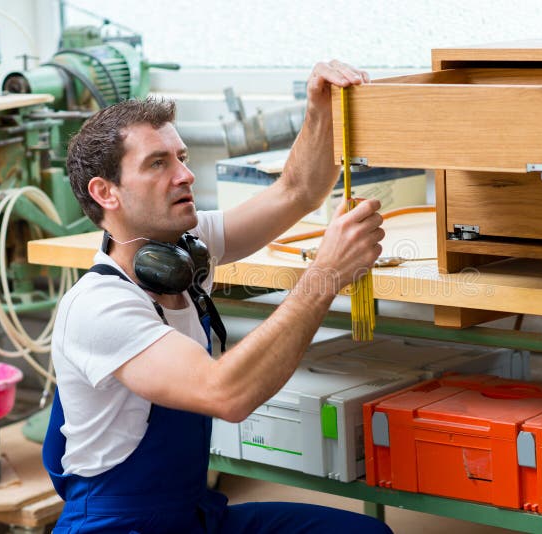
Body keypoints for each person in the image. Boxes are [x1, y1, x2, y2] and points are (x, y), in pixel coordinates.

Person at [42, 60, 391, 533]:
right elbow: (226, 393)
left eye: (181, 156)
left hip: (191, 516)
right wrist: (325, 275)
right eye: (158, 163)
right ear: (106, 192)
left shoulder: (184, 251)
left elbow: (297, 191)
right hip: (118, 525)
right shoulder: (100, 306)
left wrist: (319, 111)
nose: (185, 174)